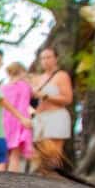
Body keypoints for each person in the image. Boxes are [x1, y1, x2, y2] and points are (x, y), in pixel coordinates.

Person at [31, 45, 73, 173]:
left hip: (56, 116)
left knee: (53, 154)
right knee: (39, 154)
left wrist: (46, 96)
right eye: (43, 58)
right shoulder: (37, 78)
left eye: (48, 57)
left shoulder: (61, 76)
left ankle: (53, 179)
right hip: (40, 118)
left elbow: (67, 99)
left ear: (56, 59)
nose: (45, 60)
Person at [1, 62, 34, 172]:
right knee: (15, 156)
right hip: (18, 122)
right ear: (22, 71)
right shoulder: (24, 86)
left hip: (3, 123)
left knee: (3, 157)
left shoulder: (2, 88)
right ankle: (11, 184)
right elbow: (24, 105)